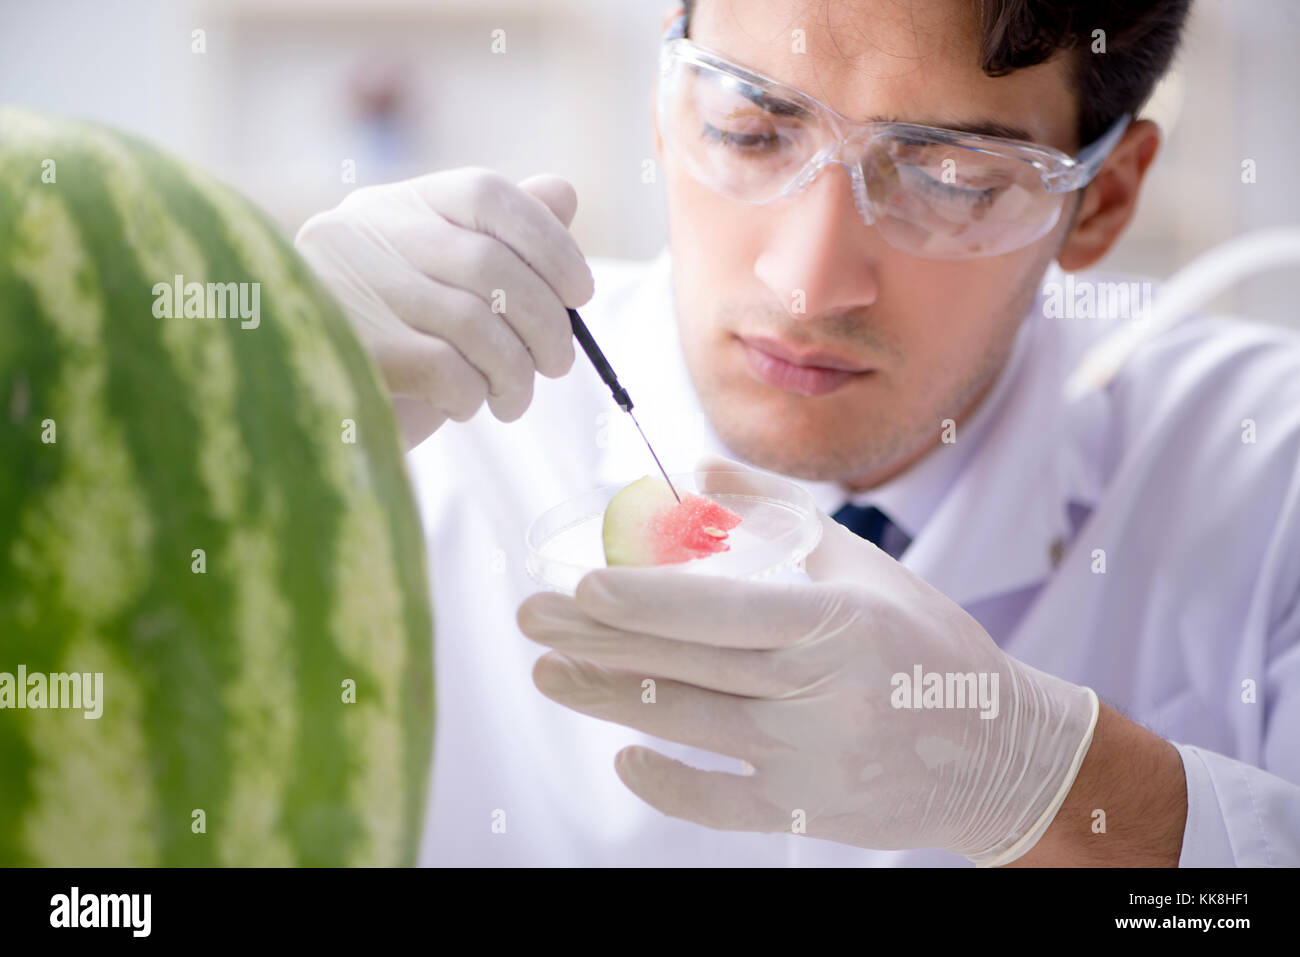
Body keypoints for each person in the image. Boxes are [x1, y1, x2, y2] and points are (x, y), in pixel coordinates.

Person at [294, 1, 1300, 866]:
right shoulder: (434, 429)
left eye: (950, 178)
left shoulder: (1267, 479)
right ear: (664, 102)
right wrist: (232, 430)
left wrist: (1045, 781)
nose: (806, 283)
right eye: (748, 128)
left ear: (1103, 199)